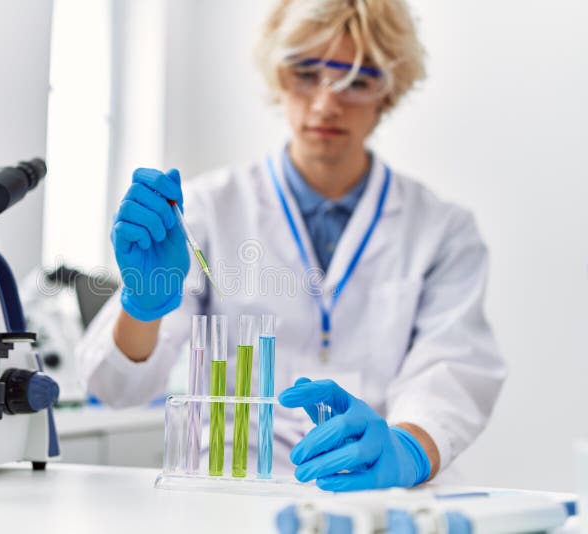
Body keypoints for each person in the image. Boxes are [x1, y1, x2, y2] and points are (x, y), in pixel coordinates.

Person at [76, 0, 506, 491]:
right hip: (231, 489)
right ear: (277, 78)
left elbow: (454, 366)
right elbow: (117, 389)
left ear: (388, 94)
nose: (326, 104)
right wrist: (144, 305)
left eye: (358, 81)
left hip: (379, 494)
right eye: (306, 73)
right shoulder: (206, 211)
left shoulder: (441, 231)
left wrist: (406, 449)